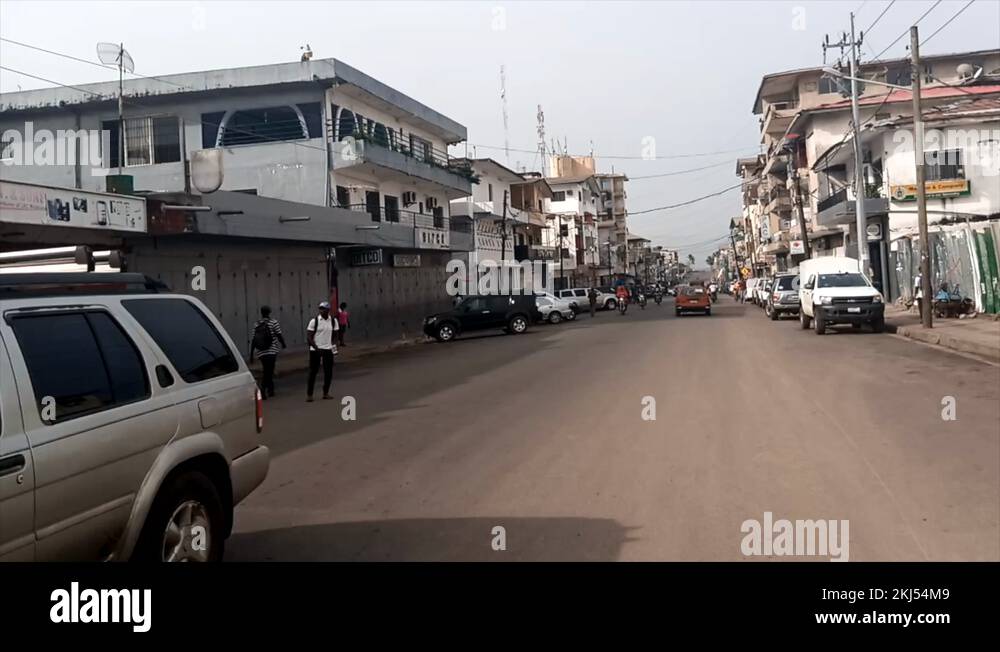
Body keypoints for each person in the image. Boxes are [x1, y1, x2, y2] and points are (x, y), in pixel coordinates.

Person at [249, 306, 286, 400]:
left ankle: (271, 390)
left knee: (267, 369)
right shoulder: (273, 322)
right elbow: (279, 335)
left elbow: (254, 340)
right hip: (271, 350)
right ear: (269, 312)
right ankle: (263, 389)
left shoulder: (256, 324)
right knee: (268, 371)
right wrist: (283, 344)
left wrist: (251, 355)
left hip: (261, 352)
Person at [306, 300, 338, 402]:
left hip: (328, 349)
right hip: (315, 350)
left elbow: (336, 335)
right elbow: (309, 337)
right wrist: (316, 348)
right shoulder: (314, 321)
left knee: (328, 372)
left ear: (328, 310)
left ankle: (326, 393)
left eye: (324, 309)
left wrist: (334, 345)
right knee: (313, 372)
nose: (321, 310)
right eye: (320, 308)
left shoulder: (333, 321)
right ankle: (309, 394)